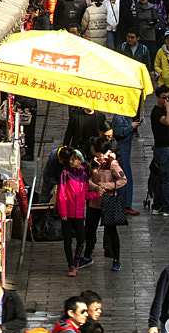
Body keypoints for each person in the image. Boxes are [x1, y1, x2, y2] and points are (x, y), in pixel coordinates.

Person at [89, 137, 127, 271]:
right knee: (90, 229)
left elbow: (123, 180)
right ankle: (87, 255)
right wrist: (94, 187)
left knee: (111, 231)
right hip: (94, 200)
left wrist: (106, 186)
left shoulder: (112, 163)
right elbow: (89, 179)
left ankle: (116, 259)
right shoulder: (93, 162)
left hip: (109, 201)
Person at [57, 149, 93, 276]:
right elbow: (61, 194)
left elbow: (85, 194)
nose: (71, 161)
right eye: (71, 159)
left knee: (81, 239)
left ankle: (76, 260)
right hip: (67, 213)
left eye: (74, 159)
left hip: (78, 213)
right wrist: (63, 212)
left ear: (80, 161)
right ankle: (70, 265)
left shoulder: (84, 176)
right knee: (67, 240)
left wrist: (96, 195)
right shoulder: (65, 174)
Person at [149, 86, 169, 215]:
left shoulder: (160, 110)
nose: (167, 100)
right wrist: (168, 108)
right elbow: (168, 122)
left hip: (163, 148)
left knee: (162, 179)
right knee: (167, 179)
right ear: (157, 98)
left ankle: (157, 205)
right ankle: (167, 207)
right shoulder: (158, 112)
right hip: (163, 150)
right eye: (164, 98)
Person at [111, 108, 142, 217]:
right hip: (122, 151)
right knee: (124, 178)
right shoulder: (119, 117)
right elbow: (119, 132)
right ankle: (124, 205)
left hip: (125, 150)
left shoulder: (126, 115)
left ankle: (126, 204)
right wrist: (131, 127)